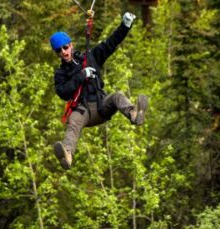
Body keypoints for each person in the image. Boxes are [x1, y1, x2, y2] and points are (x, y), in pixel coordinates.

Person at [50, 12, 149, 170]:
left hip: (101, 105)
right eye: (59, 50)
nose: (63, 51)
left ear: (71, 45)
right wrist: (81, 75)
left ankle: (134, 115)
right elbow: (63, 92)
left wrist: (125, 26)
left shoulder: (90, 57)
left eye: (65, 47)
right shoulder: (61, 74)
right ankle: (67, 155)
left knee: (117, 96)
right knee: (73, 122)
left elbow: (111, 43)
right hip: (83, 112)